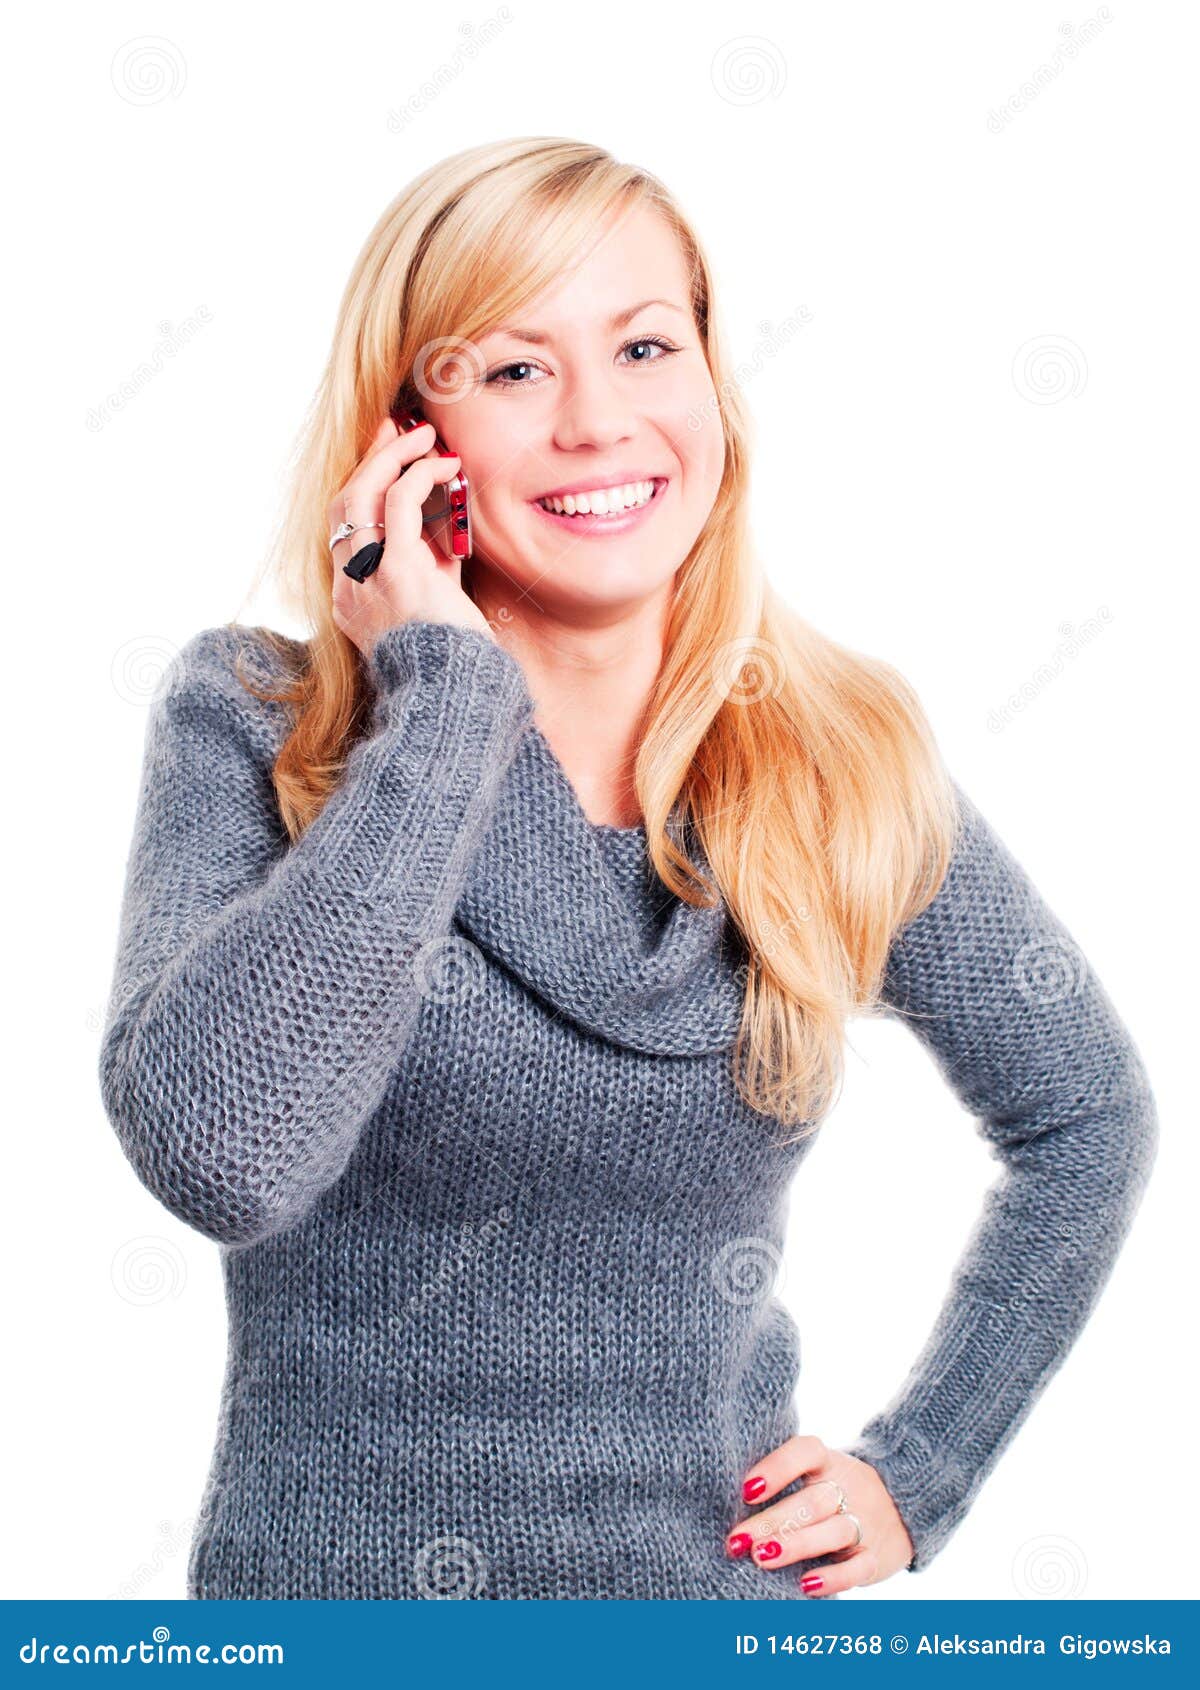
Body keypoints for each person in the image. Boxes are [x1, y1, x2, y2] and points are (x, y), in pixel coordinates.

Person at [97, 136, 1158, 1601]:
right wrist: (443, 699)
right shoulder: (259, 721)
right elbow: (223, 1154)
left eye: (646, 345)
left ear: (713, 382)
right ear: (411, 438)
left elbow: (1088, 1116)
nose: (600, 420)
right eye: (516, 370)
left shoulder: (831, 756)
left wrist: (923, 1472)